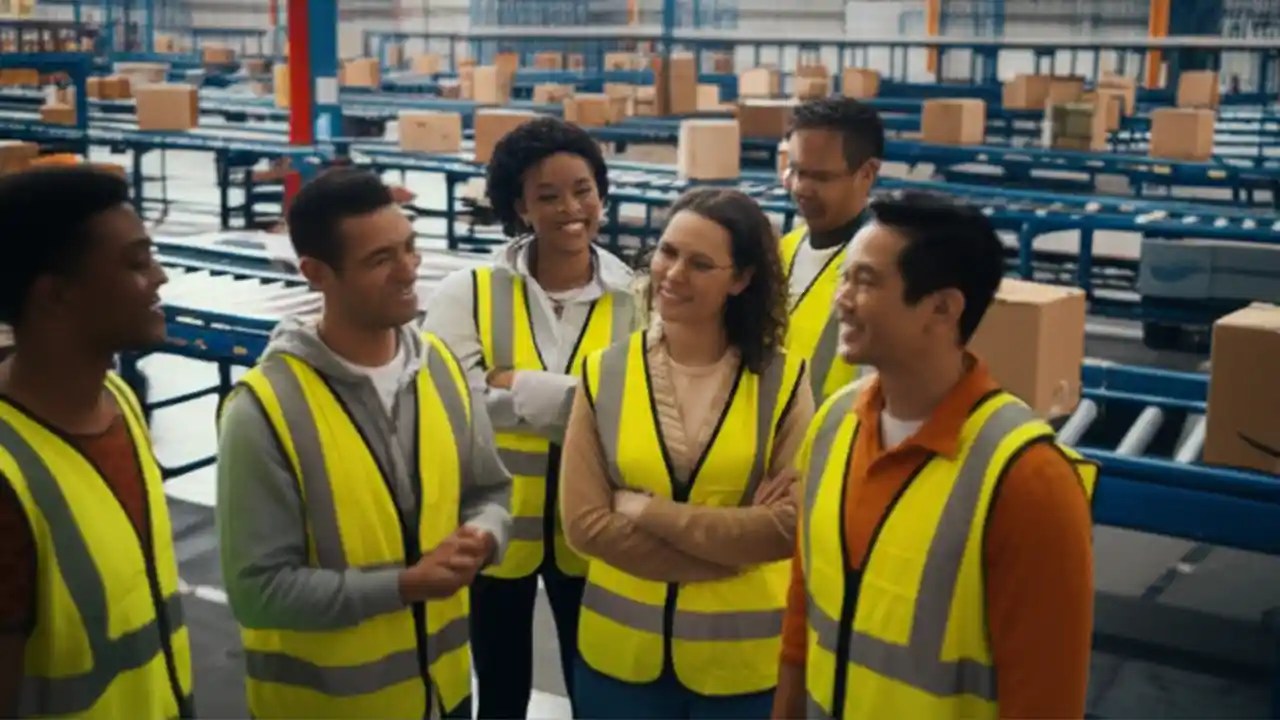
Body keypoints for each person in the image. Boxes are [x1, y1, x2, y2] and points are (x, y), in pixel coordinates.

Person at [772, 191, 1096, 720]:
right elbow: (802, 612)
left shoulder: (1027, 478)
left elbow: (1047, 698)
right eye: (844, 278)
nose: (842, 299)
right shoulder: (833, 425)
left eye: (866, 282)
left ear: (943, 309)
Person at [216, 168, 513, 720]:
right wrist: (402, 587)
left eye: (410, 248)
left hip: (447, 694)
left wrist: (485, 536)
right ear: (315, 274)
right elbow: (258, 592)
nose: (409, 271)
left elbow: (489, 489)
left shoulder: (440, 369)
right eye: (381, 260)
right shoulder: (266, 410)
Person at [560, 187, 815, 718]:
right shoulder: (603, 372)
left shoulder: (783, 382)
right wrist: (729, 549)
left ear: (741, 280)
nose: (674, 274)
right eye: (668, 252)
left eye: (701, 263)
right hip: (619, 662)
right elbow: (584, 524)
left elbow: (787, 528)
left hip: (741, 667)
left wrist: (648, 511)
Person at [423, 115, 638, 718]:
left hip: (593, 529)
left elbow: (649, 410)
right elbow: (445, 399)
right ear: (518, 205)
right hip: (492, 527)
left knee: (595, 681)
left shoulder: (637, 298)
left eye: (584, 189)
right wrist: (586, 400)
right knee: (499, 683)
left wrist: (508, 384)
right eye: (548, 195)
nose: (571, 208)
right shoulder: (468, 290)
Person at [0, 166, 193, 717]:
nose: (159, 277)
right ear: (56, 294)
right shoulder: (7, 479)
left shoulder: (120, 401)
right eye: (136, 263)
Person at [781, 97, 884, 402]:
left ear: (867, 173)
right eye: (796, 171)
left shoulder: (882, 272)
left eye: (820, 177)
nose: (801, 187)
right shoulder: (783, 250)